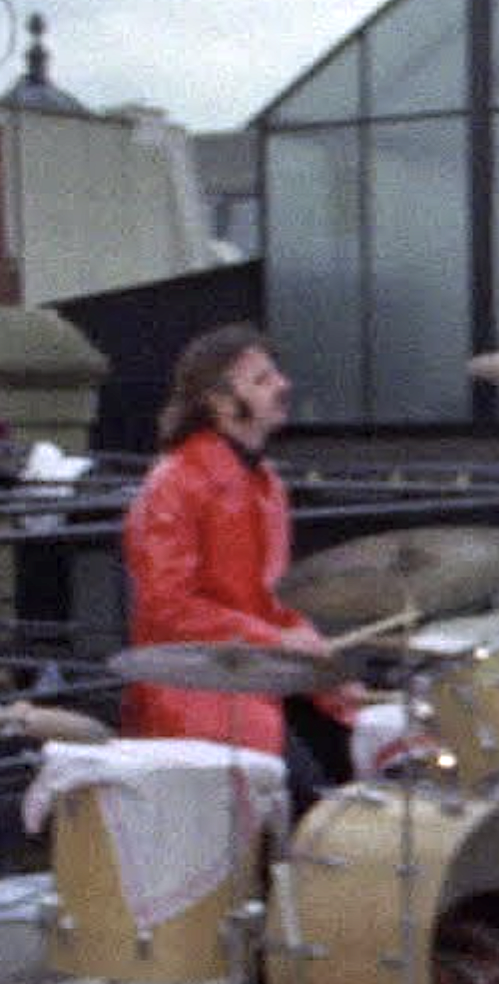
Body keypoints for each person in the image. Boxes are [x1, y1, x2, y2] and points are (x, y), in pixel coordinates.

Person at [121, 323, 355, 817]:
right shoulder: (174, 483)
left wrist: (318, 657)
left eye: (276, 374)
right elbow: (168, 608)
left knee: (361, 765)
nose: (282, 385)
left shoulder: (267, 482)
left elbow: (275, 600)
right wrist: (278, 641)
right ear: (221, 402)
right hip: (198, 687)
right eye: (261, 379)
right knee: (310, 803)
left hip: (258, 673)